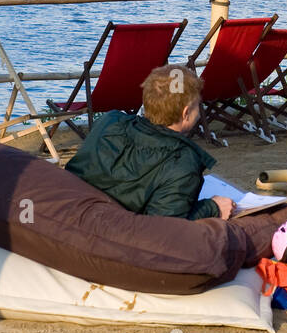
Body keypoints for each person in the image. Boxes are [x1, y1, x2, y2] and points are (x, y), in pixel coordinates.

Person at [65, 65, 236, 220]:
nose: (200, 111)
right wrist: (212, 208)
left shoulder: (110, 121)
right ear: (186, 113)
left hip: (75, 217)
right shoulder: (181, 162)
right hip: (117, 238)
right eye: (198, 105)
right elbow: (165, 228)